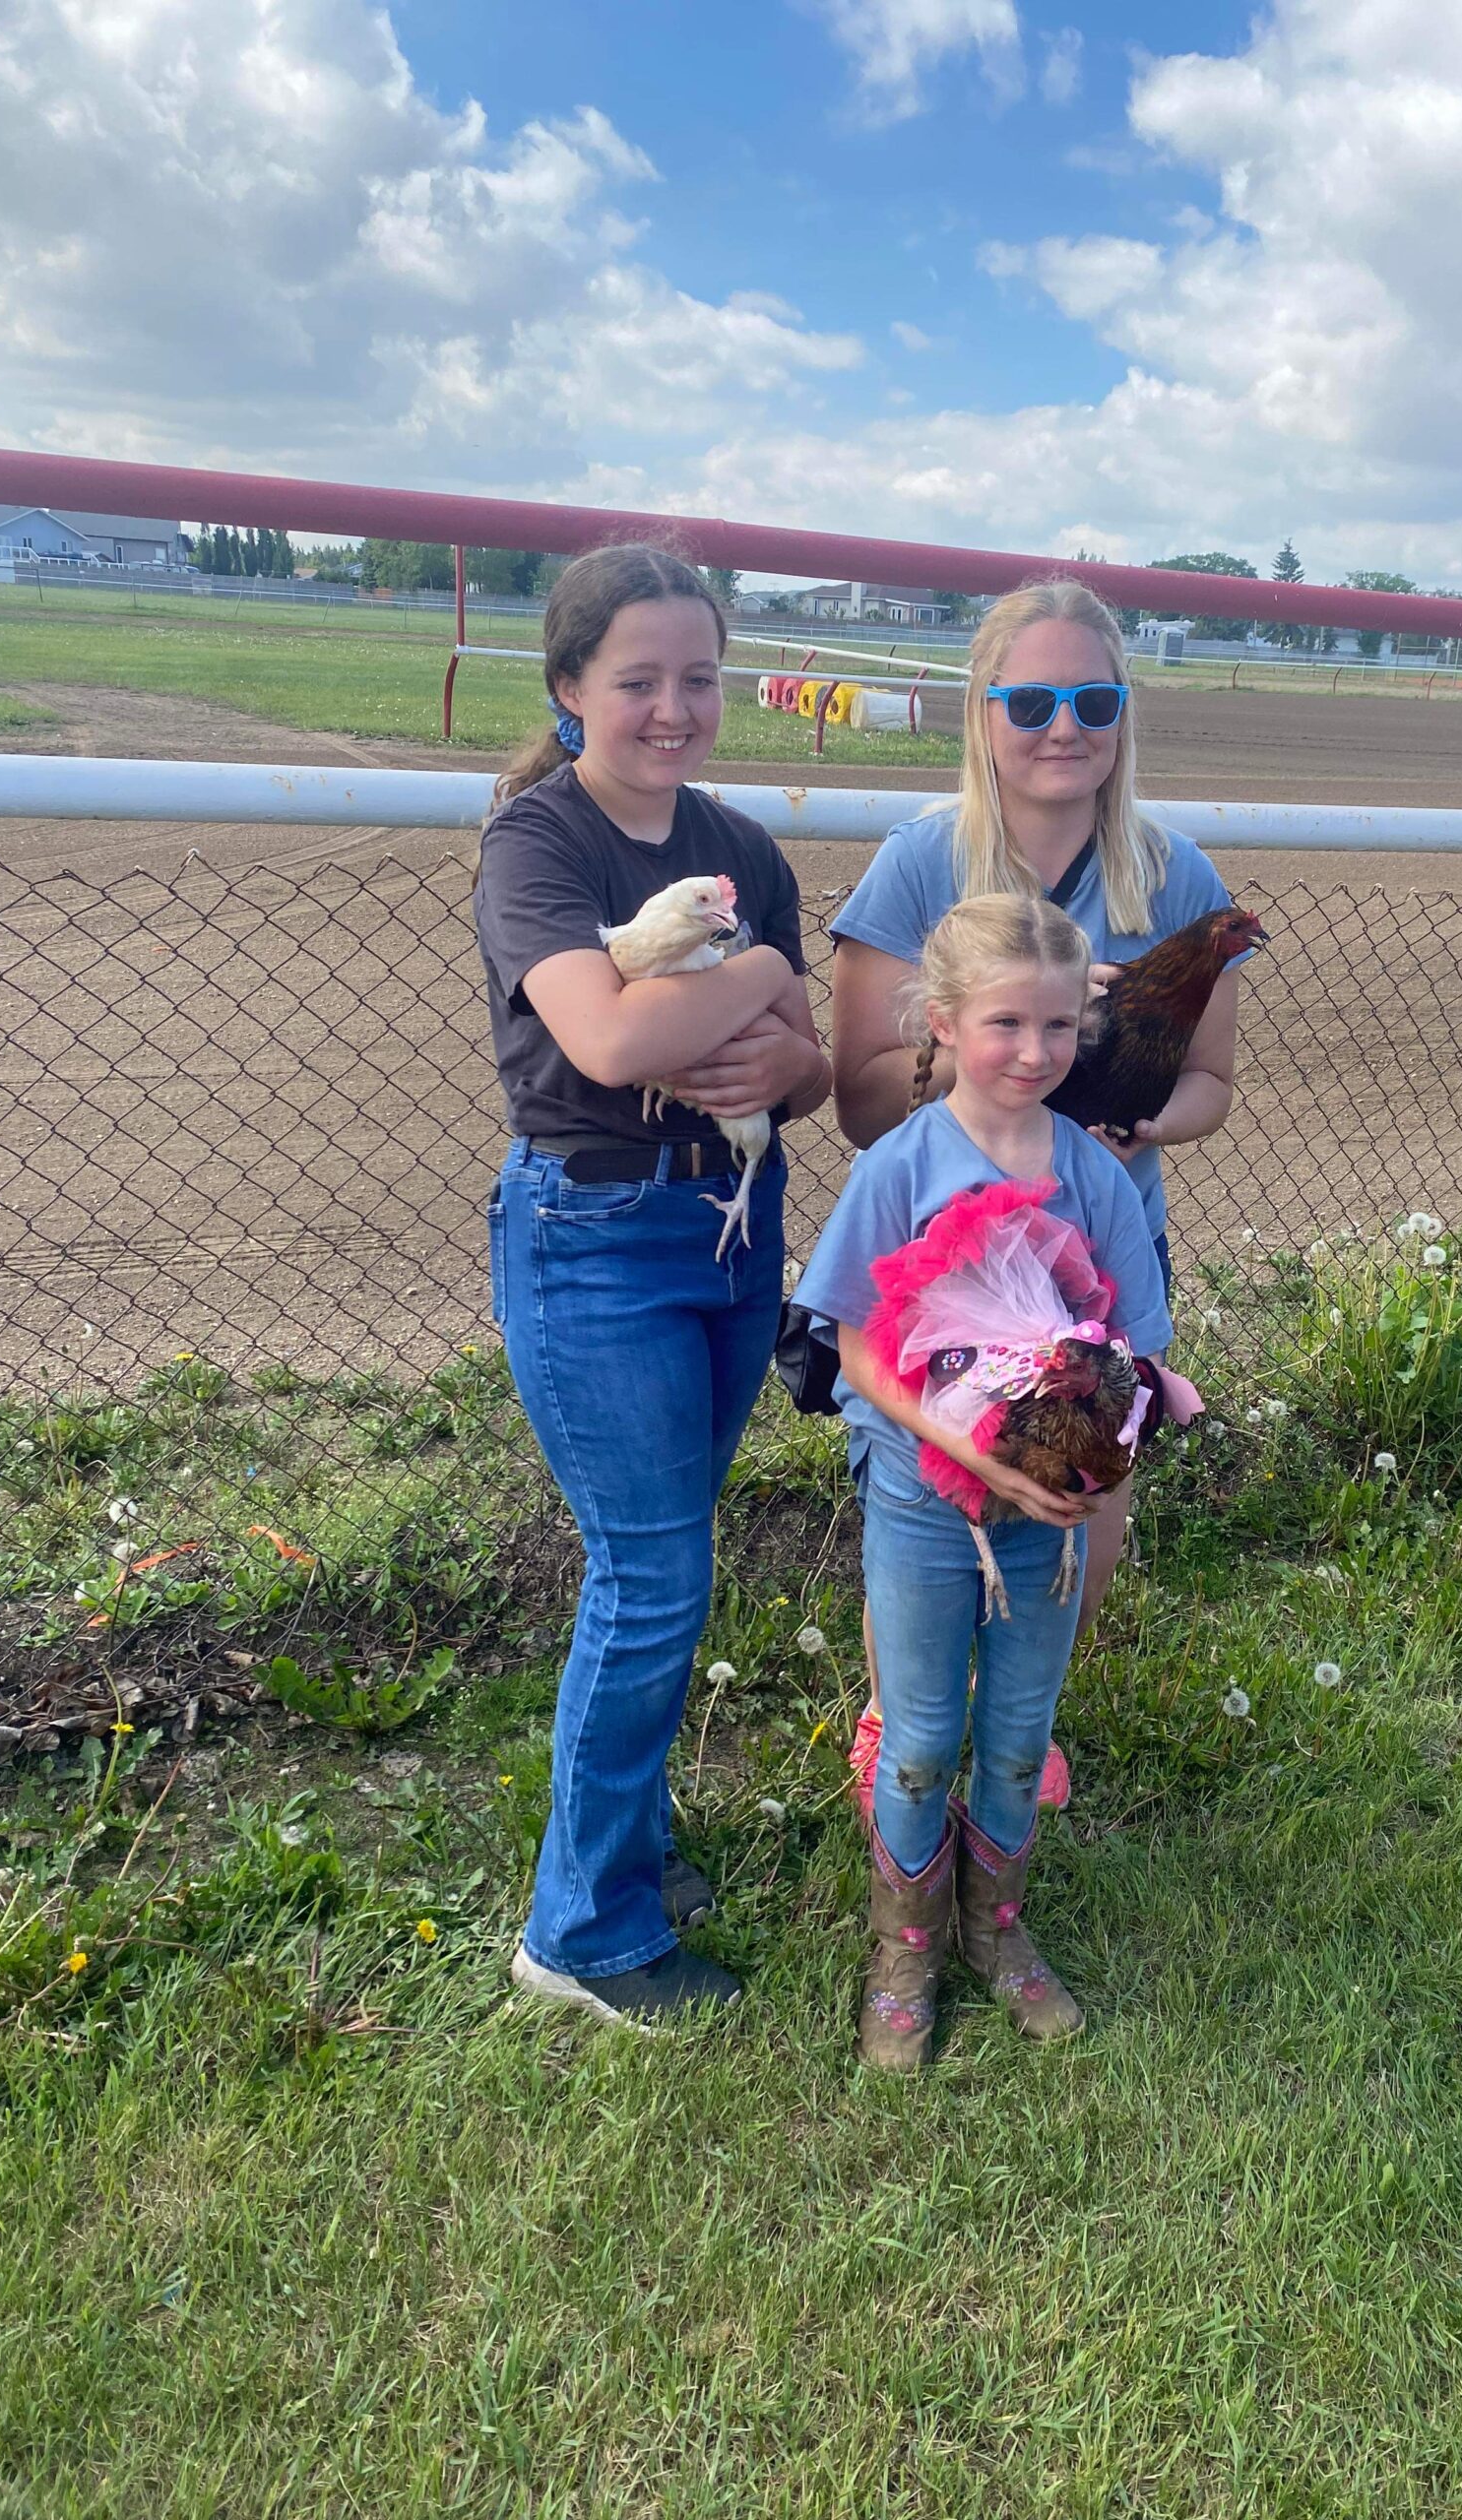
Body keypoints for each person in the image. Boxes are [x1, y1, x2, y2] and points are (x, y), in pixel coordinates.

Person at [474, 542, 832, 2029]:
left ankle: (623, 1847)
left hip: (730, 1236)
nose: (674, 708)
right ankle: (583, 1935)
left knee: (667, 1568)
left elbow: (809, 1066)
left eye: (699, 677)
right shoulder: (536, 845)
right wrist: (750, 991)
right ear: (571, 691)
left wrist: (777, 1053)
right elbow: (610, 1048)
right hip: (595, 1236)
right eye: (638, 681)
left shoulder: (745, 844)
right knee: (650, 1579)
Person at [830, 578, 1255, 1812]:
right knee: (924, 1479)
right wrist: (1012, 1059)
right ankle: (897, 1708)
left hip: (1096, 1253)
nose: (1062, 726)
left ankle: (1022, 1709)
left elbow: (1213, 1083)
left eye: (1093, 699)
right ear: (983, 715)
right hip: (950, 1268)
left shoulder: (1176, 875)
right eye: (1030, 701)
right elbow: (862, 1100)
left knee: (1089, 1477)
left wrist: (1128, 1116)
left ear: (1125, 713)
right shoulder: (922, 863)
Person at [795, 895, 1173, 2069]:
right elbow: (856, 1346)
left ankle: (994, 1927)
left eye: (1059, 1028)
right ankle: (903, 1946)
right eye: (1006, 1022)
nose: (1034, 1052)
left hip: (1045, 1521)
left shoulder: (1097, 1181)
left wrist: (1093, 1464)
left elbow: (1137, 1348)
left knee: (1017, 1731)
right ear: (946, 1022)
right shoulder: (902, 1166)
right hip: (923, 1498)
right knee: (917, 1734)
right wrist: (965, 1443)